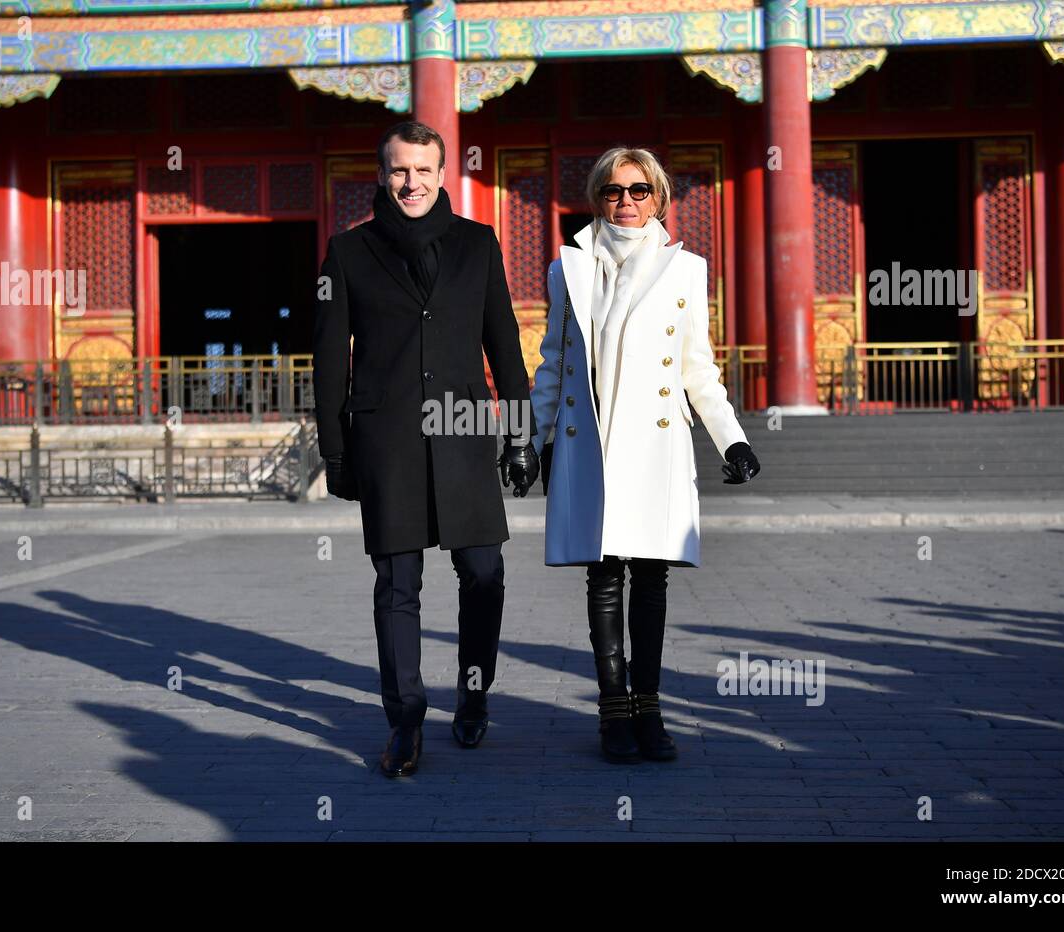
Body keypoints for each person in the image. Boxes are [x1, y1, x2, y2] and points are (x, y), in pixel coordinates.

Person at [313, 120, 539, 777]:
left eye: (422, 170)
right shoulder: (348, 253)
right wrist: (337, 449)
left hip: (466, 429)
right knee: (397, 584)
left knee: (485, 573)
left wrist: (520, 433)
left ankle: (473, 693)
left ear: (443, 174)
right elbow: (331, 360)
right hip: (387, 440)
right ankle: (405, 719)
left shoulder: (478, 245)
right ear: (382, 175)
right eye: (398, 171)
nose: (411, 183)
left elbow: (504, 346)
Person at [529, 146, 761, 763]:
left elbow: (697, 367)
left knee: (651, 579)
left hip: (656, 440)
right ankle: (612, 715)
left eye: (638, 190)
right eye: (612, 191)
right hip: (593, 443)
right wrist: (531, 440)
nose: (625, 202)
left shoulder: (686, 270)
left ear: (659, 197)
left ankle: (648, 710)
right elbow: (554, 363)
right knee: (603, 577)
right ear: (596, 199)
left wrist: (730, 436)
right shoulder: (568, 268)